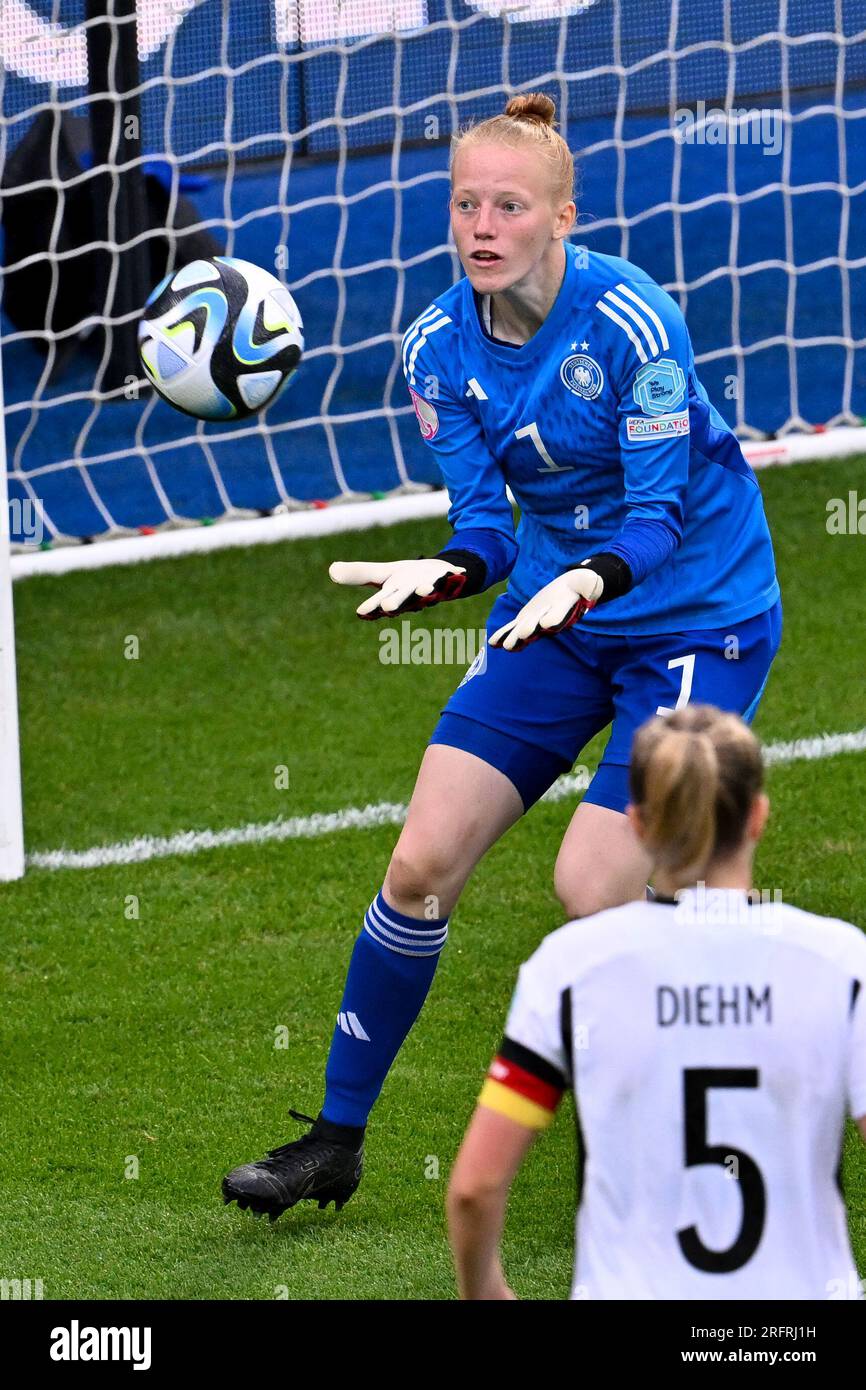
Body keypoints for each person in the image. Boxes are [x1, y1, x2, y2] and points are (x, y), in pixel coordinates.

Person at [222, 94, 782, 1221]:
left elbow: (659, 511)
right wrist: (445, 572)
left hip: (696, 615)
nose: (480, 225)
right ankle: (333, 1138)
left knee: (590, 888)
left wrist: (587, 577)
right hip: (552, 615)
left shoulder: (631, 322)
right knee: (419, 863)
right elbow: (482, 522)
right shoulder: (435, 347)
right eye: (464, 203)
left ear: (561, 217)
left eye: (507, 205)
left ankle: (725, 1064)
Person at [447, 705, 866, 1301]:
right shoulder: (841, 963)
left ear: (638, 824)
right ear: (758, 816)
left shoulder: (572, 969)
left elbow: (474, 1188)